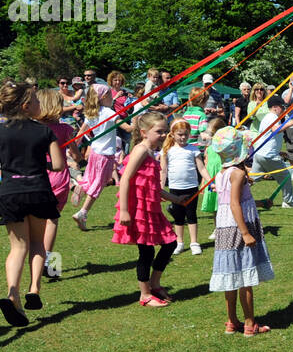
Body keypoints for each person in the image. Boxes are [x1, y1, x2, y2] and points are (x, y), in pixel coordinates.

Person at [0, 82, 64, 326]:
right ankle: (34, 289)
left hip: (11, 193)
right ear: (26, 105)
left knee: (18, 248)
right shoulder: (44, 131)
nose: (40, 104)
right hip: (39, 191)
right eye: (36, 100)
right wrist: (38, 164)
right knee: (37, 243)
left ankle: (13, 295)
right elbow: (59, 165)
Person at [207, 127, 274, 332]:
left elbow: (231, 201)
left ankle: (231, 321)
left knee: (230, 275)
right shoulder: (237, 173)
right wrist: (246, 233)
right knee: (245, 277)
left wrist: (261, 202)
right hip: (239, 228)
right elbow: (236, 204)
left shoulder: (222, 173)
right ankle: (250, 323)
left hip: (225, 227)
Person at [112, 112, 182, 308]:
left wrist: (175, 198)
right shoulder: (140, 150)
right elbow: (125, 179)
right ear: (143, 132)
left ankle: (155, 284)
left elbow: (154, 187)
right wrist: (124, 211)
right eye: (159, 131)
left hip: (151, 208)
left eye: (165, 131)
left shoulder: (152, 152)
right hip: (138, 210)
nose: (163, 135)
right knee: (146, 251)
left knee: (170, 243)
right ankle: (145, 294)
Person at [36, 89, 76, 277]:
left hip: (36, 176)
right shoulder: (65, 129)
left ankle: (37, 261)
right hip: (58, 176)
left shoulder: (33, 129)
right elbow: (76, 155)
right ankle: (49, 264)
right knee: (52, 219)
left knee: (36, 220)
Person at [69, 85, 118, 231]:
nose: (112, 99)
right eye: (110, 96)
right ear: (103, 97)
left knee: (91, 178)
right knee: (99, 183)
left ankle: (82, 187)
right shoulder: (110, 112)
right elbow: (126, 128)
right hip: (106, 154)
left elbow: (81, 133)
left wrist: (73, 148)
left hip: (95, 153)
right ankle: (82, 213)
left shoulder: (92, 113)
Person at [162, 118, 210, 255]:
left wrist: (210, 181)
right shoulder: (167, 150)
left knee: (191, 214)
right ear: (172, 134)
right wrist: (160, 189)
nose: (183, 137)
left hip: (191, 187)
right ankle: (179, 242)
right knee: (178, 216)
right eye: (180, 134)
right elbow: (163, 171)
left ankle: (194, 242)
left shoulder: (193, 150)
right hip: (175, 189)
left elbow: (201, 168)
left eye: (185, 134)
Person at [251, 97, 293, 209]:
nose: (283, 109)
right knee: (285, 177)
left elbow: (269, 137)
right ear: (275, 107)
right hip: (268, 156)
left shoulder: (269, 117)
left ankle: (235, 191)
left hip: (260, 154)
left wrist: (279, 152)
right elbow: (275, 130)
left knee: (253, 178)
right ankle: (289, 202)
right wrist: (291, 123)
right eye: (282, 107)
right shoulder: (272, 117)